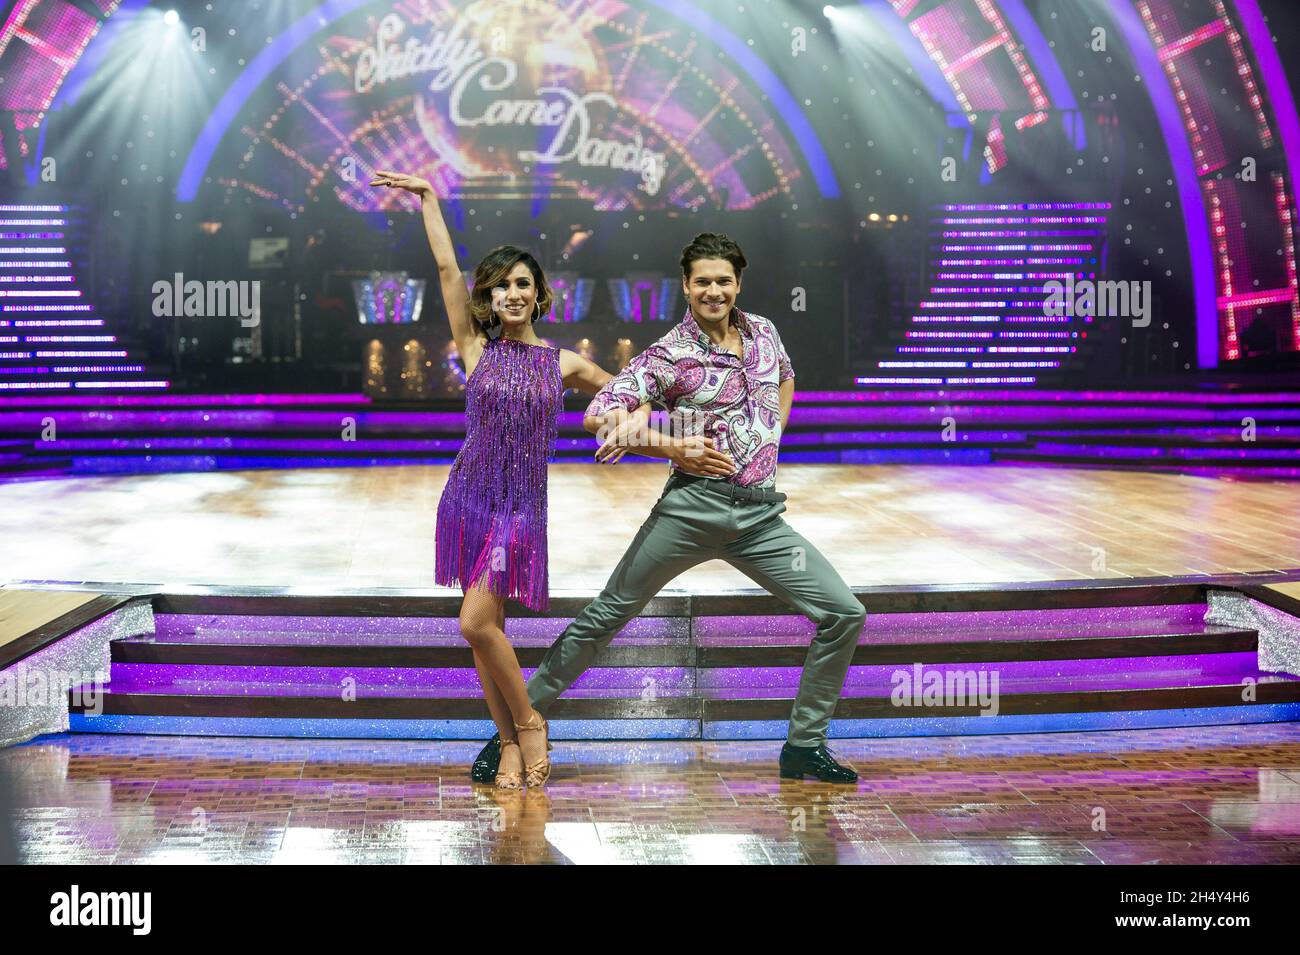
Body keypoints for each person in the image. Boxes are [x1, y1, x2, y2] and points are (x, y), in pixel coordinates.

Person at [472, 232, 867, 784]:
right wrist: (663, 441)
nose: (713, 291)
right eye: (702, 281)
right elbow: (600, 412)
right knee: (604, 617)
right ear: (686, 286)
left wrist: (769, 433)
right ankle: (513, 729)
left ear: (738, 284)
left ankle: (804, 746)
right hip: (690, 511)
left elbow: (786, 377)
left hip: (759, 518)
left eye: (723, 281)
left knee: (844, 613)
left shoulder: (765, 333)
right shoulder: (669, 353)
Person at [370, 170, 648, 789]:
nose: (513, 293)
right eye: (501, 286)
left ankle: (528, 724)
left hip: (520, 507)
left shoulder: (565, 362)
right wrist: (429, 200)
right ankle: (509, 747)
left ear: (540, 293)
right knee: (484, 631)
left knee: (474, 623)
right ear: (488, 298)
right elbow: (446, 270)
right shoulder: (475, 348)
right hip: (467, 497)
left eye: (523, 284)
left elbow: (629, 393)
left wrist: (634, 427)